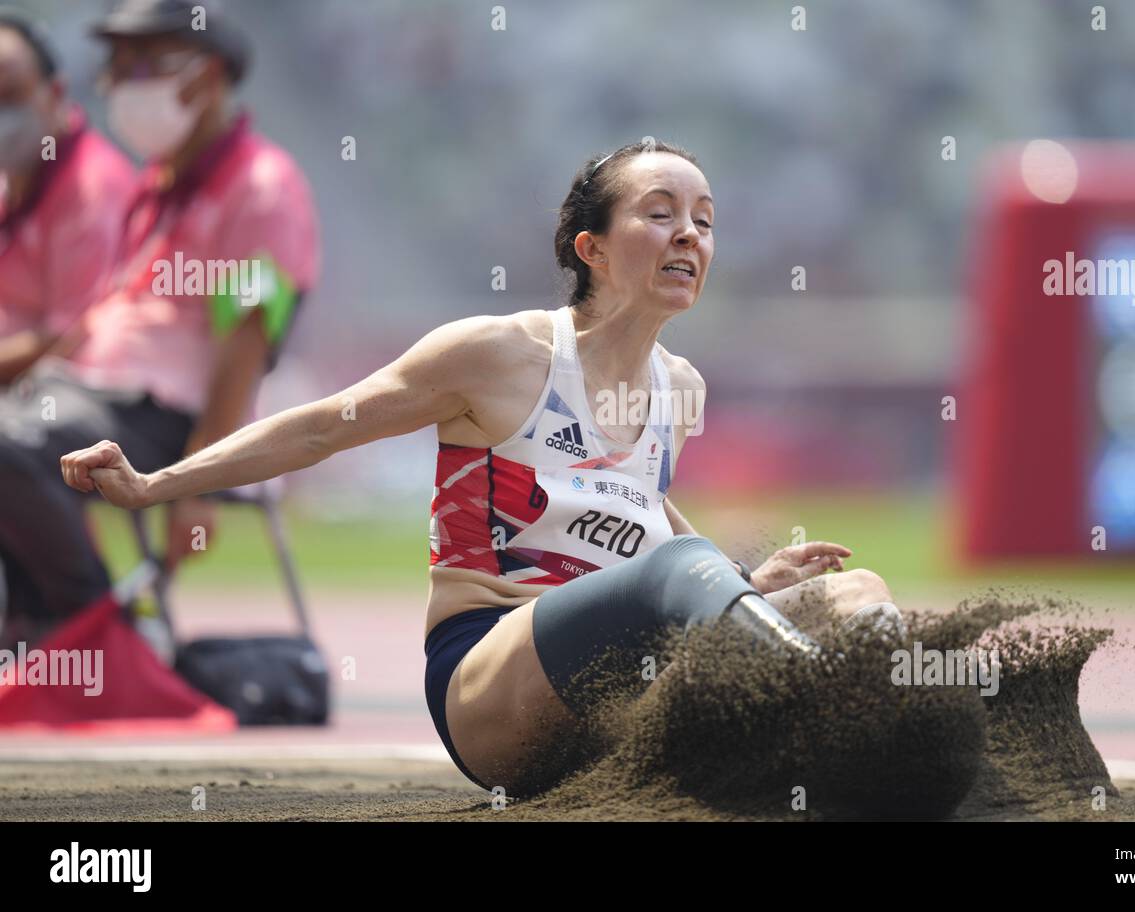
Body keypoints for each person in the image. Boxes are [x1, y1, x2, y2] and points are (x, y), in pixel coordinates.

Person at [60, 141, 898, 793]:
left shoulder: (682, 387)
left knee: (856, 595)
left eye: (706, 220)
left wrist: (744, 578)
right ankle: (834, 706)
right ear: (592, 249)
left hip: (623, 688)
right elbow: (319, 430)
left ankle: (909, 740)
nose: (690, 234)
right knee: (692, 576)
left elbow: (646, 512)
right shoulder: (497, 354)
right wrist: (154, 485)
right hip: (492, 682)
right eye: (660, 213)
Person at [0, 0, 319, 650]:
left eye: (145, 63)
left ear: (208, 76)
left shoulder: (261, 189)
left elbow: (247, 342)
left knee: (8, 445)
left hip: (163, 416)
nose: (121, 83)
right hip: (86, 398)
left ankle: (100, 639)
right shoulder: (159, 188)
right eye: (116, 66)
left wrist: (199, 478)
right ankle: (32, 634)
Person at [0, 7, 136, 385]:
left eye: (9, 97)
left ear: (55, 93)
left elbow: (71, 337)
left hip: (51, 411)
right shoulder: (11, 177)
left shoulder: (94, 190)